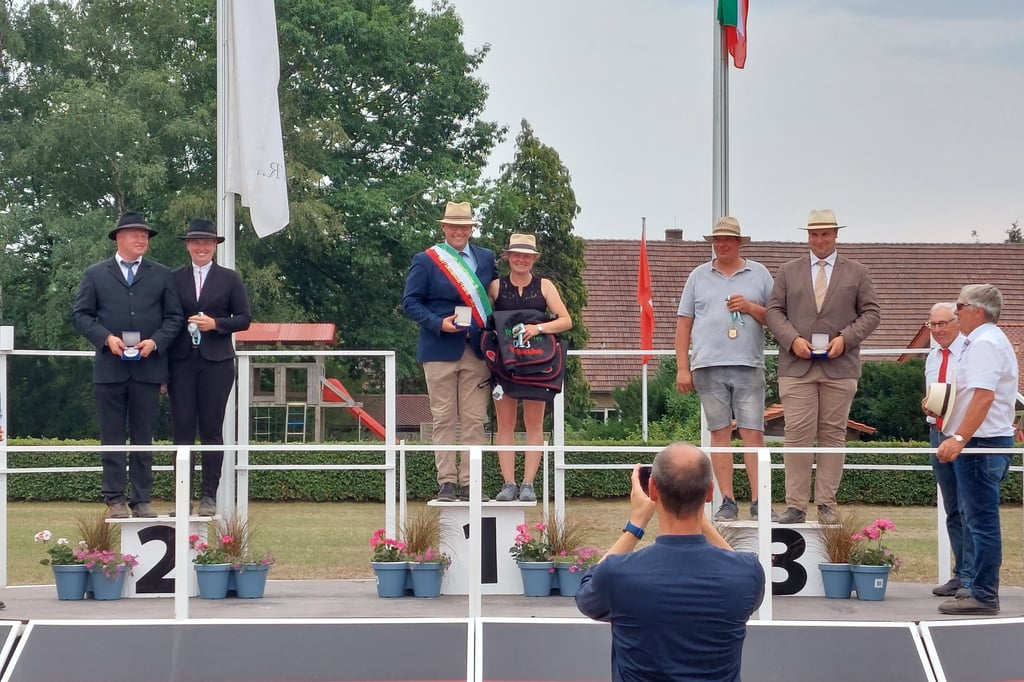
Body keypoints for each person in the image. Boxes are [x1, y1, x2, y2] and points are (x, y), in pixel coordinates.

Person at [575, 443, 764, 681]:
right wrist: (703, 522)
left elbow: (585, 593)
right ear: (709, 492)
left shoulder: (617, 574)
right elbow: (742, 574)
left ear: (652, 488)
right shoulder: (746, 573)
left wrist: (635, 526)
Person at [765, 209, 880, 524]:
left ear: (836, 235)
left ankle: (827, 505)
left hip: (840, 367)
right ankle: (796, 507)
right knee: (797, 434)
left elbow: (871, 313)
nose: (819, 240)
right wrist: (792, 340)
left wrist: (846, 338)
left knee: (833, 435)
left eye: (825, 234)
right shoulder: (788, 271)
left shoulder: (857, 272)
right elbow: (773, 311)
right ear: (807, 236)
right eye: (814, 234)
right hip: (796, 366)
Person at [72, 212, 183, 519]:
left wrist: (156, 341)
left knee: (144, 434)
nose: (142, 239)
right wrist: (105, 338)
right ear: (119, 238)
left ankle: (142, 498)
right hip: (110, 368)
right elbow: (81, 316)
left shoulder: (162, 275)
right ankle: (114, 497)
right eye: (135, 235)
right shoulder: (95, 274)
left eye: (145, 235)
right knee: (112, 434)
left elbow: (175, 317)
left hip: (148, 368)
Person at [675, 216, 775, 521]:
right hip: (707, 365)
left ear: (739, 242)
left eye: (727, 239)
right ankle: (728, 501)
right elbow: (683, 323)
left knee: (752, 434)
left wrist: (751, 308)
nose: (721, 244)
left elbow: (776, 318)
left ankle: (760, 501)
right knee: (719, 435)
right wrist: (682, 367)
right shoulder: (697, 276)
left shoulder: (759, 274)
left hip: (748, 363)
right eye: (717, 240)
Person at [402, 201, 498, 502]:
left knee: (474, 419)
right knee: (443, 418)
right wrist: (437, 323)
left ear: (471, 229)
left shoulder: (486, 258)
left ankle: (470, 483)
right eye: (453, 226)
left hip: (477, 349)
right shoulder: (426, 260)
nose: (459, 231)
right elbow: (410, 303)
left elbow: (495, 298)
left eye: (464, 226)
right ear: (443, 228)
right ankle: (446, 482)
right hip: (438, 348)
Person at [935, 284, 1017, 616]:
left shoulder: (984, 343)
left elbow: (983, 396)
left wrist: (959, 438)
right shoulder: (981, 342)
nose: (956, 312)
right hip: (982, 441)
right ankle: (975, 586)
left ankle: (983, 593)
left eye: (960, 306)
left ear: (978, 311)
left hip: (981, 444)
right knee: (974, 517)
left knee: (980, 519)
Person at [167, 218, 252, 516]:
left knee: (212, 430)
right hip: (180, 362)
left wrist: (216, 324)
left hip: (217, 362)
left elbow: (244, 319)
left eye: (207, 242)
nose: (201, 247)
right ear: (188, 245)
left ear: (214, 246)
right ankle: (182, 493)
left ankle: (208, 495)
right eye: (196, 242)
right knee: (182, 430)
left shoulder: (230, 279)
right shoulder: (173, 279)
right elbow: (166, 319)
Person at [488, 233, 572, 502]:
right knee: (505, 424)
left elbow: (566, 320)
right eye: (516, 254)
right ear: (508, 257)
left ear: (534, 259)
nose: (521, 259)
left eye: (527, 255)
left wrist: (539, 327)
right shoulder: (495, 287)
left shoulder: (545, 286)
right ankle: (509, 483)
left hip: (537, 362)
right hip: (505, 362)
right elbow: (483, 319)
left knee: (534, 423)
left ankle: (528, 483)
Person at [920, 302, 971, 598]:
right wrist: (925, 403)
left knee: (969, 509)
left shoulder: (971, 350)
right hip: (936, 433)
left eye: (943, 324)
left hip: (963, 436)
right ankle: (959, 573)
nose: (937, 330)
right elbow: (932, 396)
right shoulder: (932, 355)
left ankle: (972, 576)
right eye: (933, 325)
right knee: (952, 509)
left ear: (957, 321)